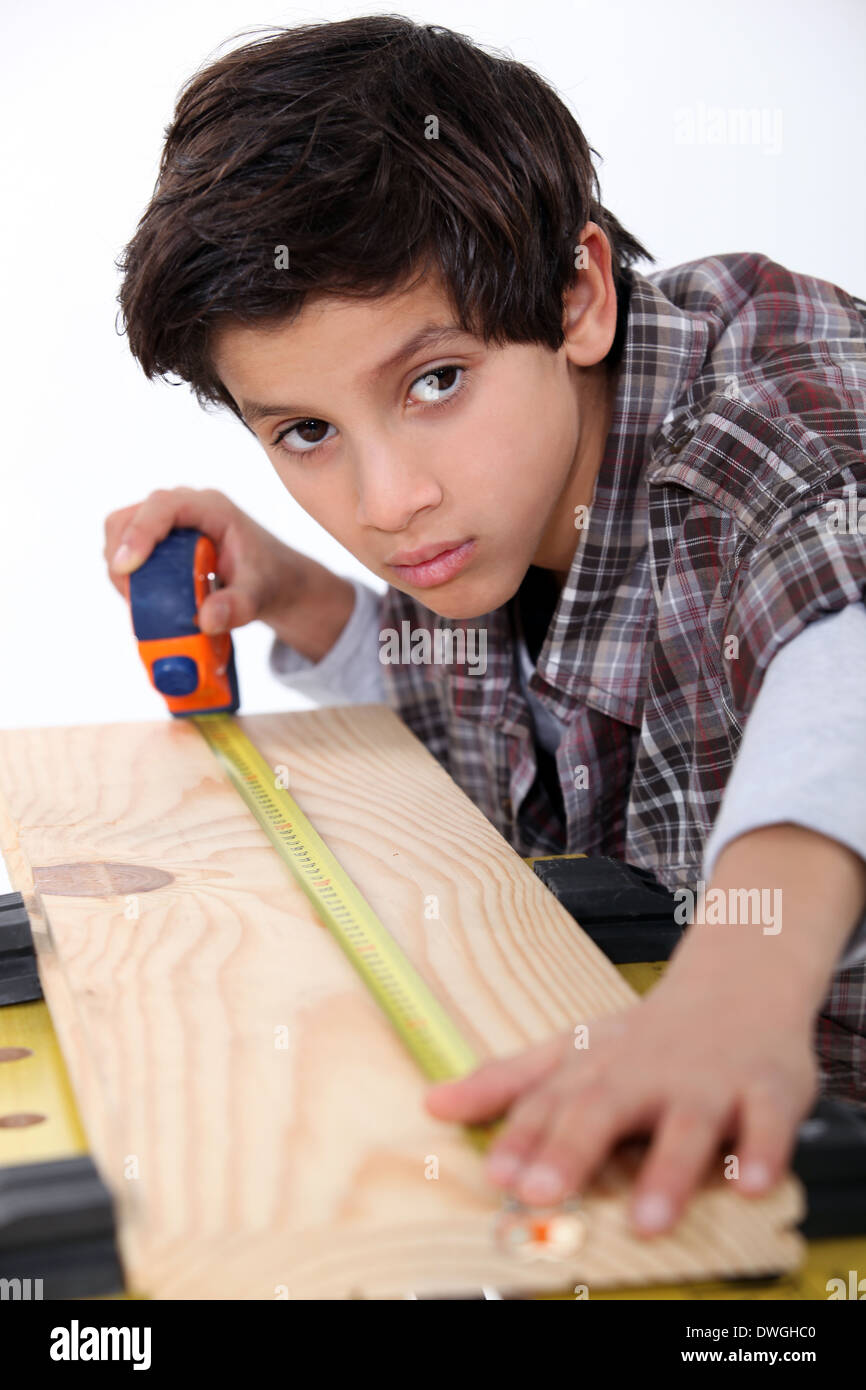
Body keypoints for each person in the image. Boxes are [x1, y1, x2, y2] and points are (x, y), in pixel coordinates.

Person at [105, 16, 866, 1237]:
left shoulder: (773, 406)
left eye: (434, 382)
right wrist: (310, 604)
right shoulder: (493, 512)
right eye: (305, 433)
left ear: (577, 296)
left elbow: (841, 643)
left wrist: (731, 994)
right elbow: (514, 706)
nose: (385, 501)